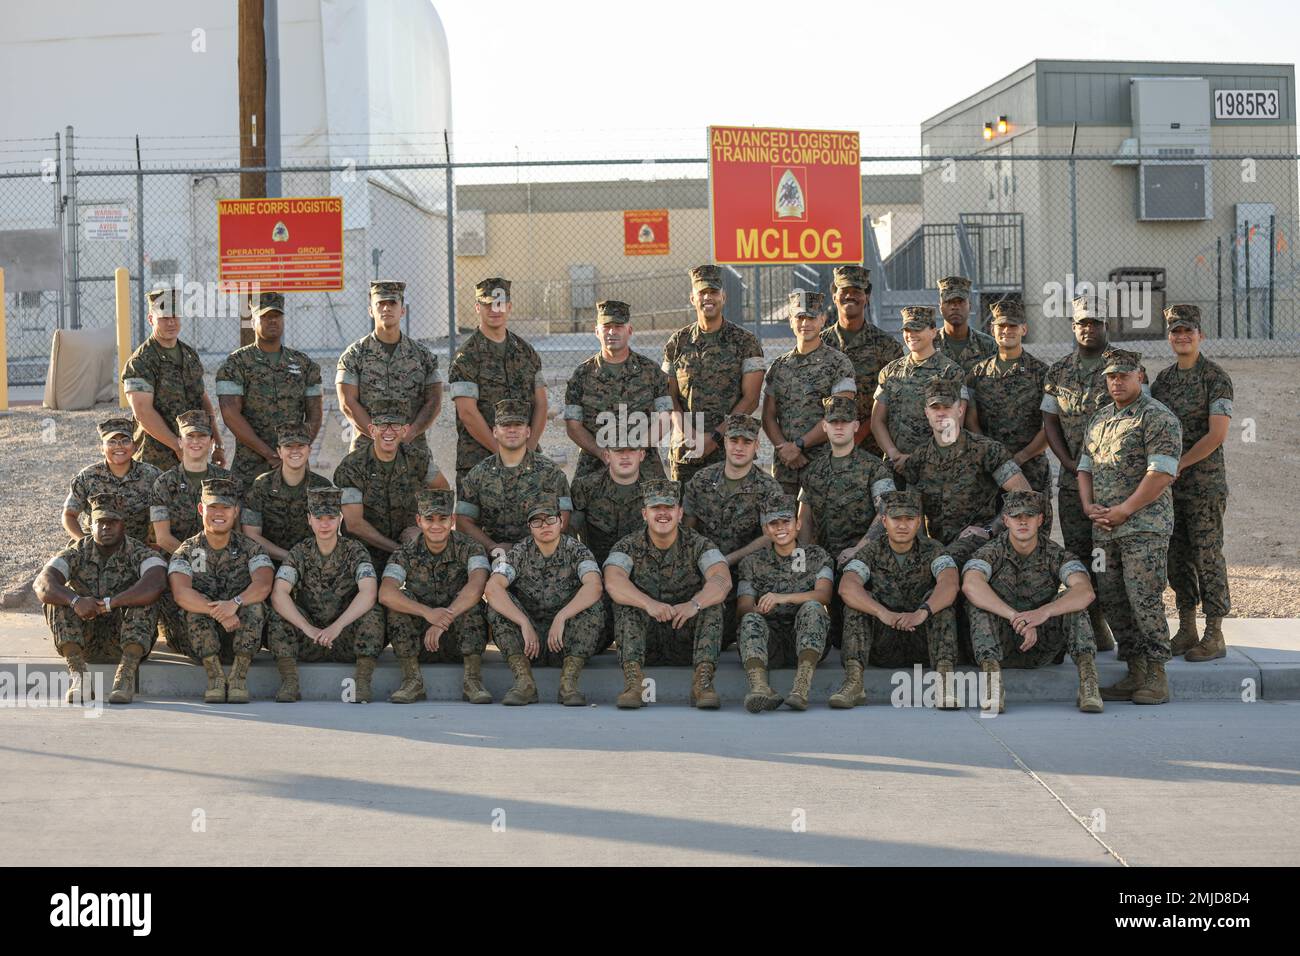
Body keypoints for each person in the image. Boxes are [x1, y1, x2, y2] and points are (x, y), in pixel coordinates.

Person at [1078, 348, 1182, 705]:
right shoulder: (1100, 418)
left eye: (1124, 375)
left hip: (1143, 527)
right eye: (1111, 376)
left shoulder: (1157, 417)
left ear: (1140, 375)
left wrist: (1125, 510)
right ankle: (1134, 669)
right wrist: (1087, 505)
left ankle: (1156, 675)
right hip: (1104, 530)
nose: (1117, 381)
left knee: (1144, 598)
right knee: (1112, 597)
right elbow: (1085, 467)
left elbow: (1162, 473)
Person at [962, 490, 1102, 714]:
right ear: (1005, 520)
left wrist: (1043, 613)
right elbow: (971, 585)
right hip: (999, 644)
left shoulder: (1056, 554)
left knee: (1073, 603)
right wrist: (1015, 617)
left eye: (1029, 515)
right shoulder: (990, 552)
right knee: (978, 606)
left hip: (1042, 645)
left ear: (1040, 519)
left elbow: (1085, 591)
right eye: (1016, 516)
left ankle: (1089, 683)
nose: (1023, 521)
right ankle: (992, 684)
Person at [1150, 304, 1234, 662]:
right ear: (1169, 337)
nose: (1182, 337)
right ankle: (1187, 628)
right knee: (1177, 556)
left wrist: (1178, 464)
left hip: (1204, 485)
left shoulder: (1215, 378)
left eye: (1188, 331)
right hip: (1170, 488)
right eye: (1176, 331)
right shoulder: (1163, 381)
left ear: (1201, 335)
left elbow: (1217, 435)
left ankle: (1215, 633)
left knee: (1207, 555)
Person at [603, 479, 731, 710]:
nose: (663, 513)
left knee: (711, 604)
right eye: (655, 508)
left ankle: (702, 684)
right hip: (645, 641)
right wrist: (648, 604)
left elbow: (722, 580)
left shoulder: (698, 544)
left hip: (686, 640)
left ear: (680, 513)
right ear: (645, 514)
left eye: (669, 507)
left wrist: (694, 604)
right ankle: (634, 683)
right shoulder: (628, 545)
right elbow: (613, 581)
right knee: (625, 605)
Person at [1042, 294, 1121, 652]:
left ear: (1107, 325)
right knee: (1078, 553)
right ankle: (1091, 626)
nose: (1088, 329)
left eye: (1095, 323)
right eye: (1082, 323)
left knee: (1111, 558)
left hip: (1114, 482)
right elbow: (1049, 421)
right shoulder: (1058, 371)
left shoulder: (1123, 366)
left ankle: (1121, 627)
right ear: (1073, 327)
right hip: (1073, 480)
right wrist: (1068, 462)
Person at [35, 493, 167, 705]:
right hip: (84, 640)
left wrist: (111, 603)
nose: (106, 527)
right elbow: (42, 583)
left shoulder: (138, 552)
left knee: (145, 599)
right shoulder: (77, 551)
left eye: (112, 521)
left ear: (123, 524)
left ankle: (124, 678)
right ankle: (80, 678)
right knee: (56, 600)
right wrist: (75, 601)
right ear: (91, 525)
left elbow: (157, 582)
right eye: (100, 522)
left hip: (126, 642)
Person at [836, 490, 960, 709]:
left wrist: (922, 613)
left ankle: (945, 684)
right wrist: (883, 613)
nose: (902, 525)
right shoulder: (871, 551)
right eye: (896, 519)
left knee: (940, 604)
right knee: (857, 606)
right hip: (883, 641)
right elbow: (847, 586)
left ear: (919, 522)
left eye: (909, 519)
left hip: (923, 641)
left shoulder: (933, 550)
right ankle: (854, 683)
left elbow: (950, 584)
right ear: (884, 521)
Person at [484, 496, 605, 706]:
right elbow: (493, 588)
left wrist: (561, 617)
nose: (544, 526)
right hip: (529, 644)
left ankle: (568, 684)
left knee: (594, 606)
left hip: (565, 640)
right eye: (537, 521)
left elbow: (594, 586)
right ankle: (524, 683)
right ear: (530, 526)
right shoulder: (520, 552)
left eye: (550, 519)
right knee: (497, 607)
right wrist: (523, 623)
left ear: (560, 521)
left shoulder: (576, 550)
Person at [267, 487, 384, 703]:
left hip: (345, 637)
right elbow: (279, 594)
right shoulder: (299, 552)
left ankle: (362, 681)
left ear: (340, 519)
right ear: (309, 519)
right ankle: (290, 682)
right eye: (319, 518)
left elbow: (369, 592)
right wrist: (307, 628)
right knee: (278, 615)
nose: (324, 524)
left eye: (331, 518)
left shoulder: (354, 551)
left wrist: (337, 626)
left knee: (373, 613)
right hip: (309, 638)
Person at [900, 378, 1031, 568]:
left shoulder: (986, 450)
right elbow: (913, 510)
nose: (941, 413)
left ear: (960, 410)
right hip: (939, 548)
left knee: (942, 565)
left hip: (982, 546)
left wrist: (989, 529)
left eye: (947, 407)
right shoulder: (918, 459)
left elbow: (1024, 494)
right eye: (935, 408)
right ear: (926, 412)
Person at [380, 489, 493, 705]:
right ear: (418, 521)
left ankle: (473, 680)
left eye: (442, 518)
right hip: (421, 641)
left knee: (472, 603)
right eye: (429, 519)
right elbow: (386, 593)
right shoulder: (405, 553)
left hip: (459, 640)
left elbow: (478, 585)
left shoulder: (470, 547)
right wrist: (428, 613)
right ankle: (412, 680)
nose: (436, 525)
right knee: (398, 602)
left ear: (452, 520)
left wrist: (443, 620)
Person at [166, 479, 274, 704]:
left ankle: (238, 678)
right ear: (201, 509)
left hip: (240, 635)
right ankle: (214, 677)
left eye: (225, 507)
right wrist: (220, 612)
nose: (219, 513)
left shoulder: (251, 549)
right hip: (198, 642)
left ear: (236, 511)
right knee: (195, 609)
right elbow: (181, 593)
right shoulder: (186, 550)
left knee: (255, 607)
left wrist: (234, 603)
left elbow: (263, 585)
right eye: (212, 506)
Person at [683, 414, 781, 646]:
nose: (739, 447)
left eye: (747, 442)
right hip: (703, 573)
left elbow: (770, 537)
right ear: (725, 442)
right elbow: (686, 529)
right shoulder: (701, 480)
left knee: (733, 631)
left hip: (744, 575)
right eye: (734, 440)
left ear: (756, 446)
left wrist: (726, 560)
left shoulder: (768, 488)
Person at [662, 264, 764, 486]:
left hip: (731, 450)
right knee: (685, 507)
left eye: (713, 292)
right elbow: (668, 396)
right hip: (687, 451)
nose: (708, 297)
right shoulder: (677, 342)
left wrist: (715, 437)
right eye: (702, 293)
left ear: (723, 297)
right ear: (693, 298)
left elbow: (751, 399)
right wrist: (690, 435)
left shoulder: (745, 342)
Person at [735, 494, 834, 713]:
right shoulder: (751, 563)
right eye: (773, 523)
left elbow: (824, 595)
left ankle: (800, 689)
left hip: (808, 638)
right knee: (750, 619)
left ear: (797, 524)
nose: (780, 528)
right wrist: (756, 610)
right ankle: (760, 688)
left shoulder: (817, 556)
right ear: (765, 529)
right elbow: (743, 606)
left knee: (813, 607)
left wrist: (782, 597)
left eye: (786, 521)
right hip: (769, 643)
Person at [215, 291, 323, 491]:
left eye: (277, 316)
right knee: (247, 511)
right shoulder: (236, 364)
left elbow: (315, 413)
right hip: (250, 467)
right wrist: (269, 453)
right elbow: (230, 413)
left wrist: (295, 450)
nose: (272, 321)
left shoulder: (304, 364)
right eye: (265, 316)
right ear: (252, 321)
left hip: (294, 467)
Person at [447, 277, 546, 491]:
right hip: (480, 462)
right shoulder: (466, 357)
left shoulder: (526, 352)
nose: (494, 310)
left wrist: (526, 452)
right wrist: (504, 456)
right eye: (487, 304)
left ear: (509, 307)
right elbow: (467, 413)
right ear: (477, 308)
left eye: (500, 304)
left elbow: (541, 404)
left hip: (527, 462)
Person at [964, 298, 1052, 525]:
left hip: (1030, 469)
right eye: (1001, 325)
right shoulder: (978, 373)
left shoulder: (1041, 373)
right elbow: (970, 420)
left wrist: (1021, 457)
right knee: (988, 533)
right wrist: (991, 455)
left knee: (1032, 530)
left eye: (1013, 325)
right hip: (989, 473)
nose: (1007, 331)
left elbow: (1051, 426)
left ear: (1024, 329)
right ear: (992, 329)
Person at [762, 290, 857, 494]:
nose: (805, 323)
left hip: (824, 467)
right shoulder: (779, 366)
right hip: (785, 468)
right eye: (800, 317)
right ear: (791, 321)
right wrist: (784, 448)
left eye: (811, 318)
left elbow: (838, 416)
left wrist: (798, 446)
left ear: (822, 320)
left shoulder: (839, 364)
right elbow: (768, 416)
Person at [564, 299, 671, 478]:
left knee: (659, 497)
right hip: (595, 466)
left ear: (630, 330)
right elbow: (573, 426)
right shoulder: (582, 375)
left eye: (618, 326)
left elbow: (665, 419)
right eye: (606, 327)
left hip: (644, 466)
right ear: (596, 331)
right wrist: (601, 453)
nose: (612, 332)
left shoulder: (651, 371)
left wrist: (637, 450)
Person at [333, 401, 448, 567]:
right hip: (364, 551)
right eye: (382, 426)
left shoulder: (417, 459)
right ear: (372, 430)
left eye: (395, 426)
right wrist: (398, 550)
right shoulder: (352, 466)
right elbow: (354, 524)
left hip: (407, 542)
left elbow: (442, 490)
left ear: (405, 430)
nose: (388, 432)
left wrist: (424, 524)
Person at [122, 286, 225, 471]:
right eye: (164, 318)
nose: (171, 322)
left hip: (192, 455)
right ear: (151, 319)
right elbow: (143, 412)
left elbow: (202, 399)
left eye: (175, 316)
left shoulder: (189, 355)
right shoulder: (140, 362)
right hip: (155, 460)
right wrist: (177, 446)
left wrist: (217, 443)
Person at [336, 280, 442, 455]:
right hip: (367, 452)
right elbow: (347, 403)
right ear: (371, 311)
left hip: (412, 451)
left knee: (434, 475)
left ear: (402, 310)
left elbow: (434, 401)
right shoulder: (354, 355)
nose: (386, 308)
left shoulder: (423, 356)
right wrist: (380, 437)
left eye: (392, 303)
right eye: (380, 303)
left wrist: (409, 434)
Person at [455, 399, 571, 557]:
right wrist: (492, 547)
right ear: (495, 432)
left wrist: (524, 550)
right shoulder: (478, 474)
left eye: (518, 425)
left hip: (540, 555)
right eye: (505, 425)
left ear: (528, 431)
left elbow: (564, 518)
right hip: (495, 555)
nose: (512, 430)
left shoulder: (551, 472)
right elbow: (463, 521)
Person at [797, 395, 896, 566]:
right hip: (822, 560)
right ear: (824, 426)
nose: (839, 427)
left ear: (856, 426)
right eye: (833, 422)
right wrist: (801, 560)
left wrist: (858, 549)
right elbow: (804, 520)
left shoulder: (874, 468)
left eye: (845, 421)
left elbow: (886, 510)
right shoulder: (813, 471)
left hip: (865, 559)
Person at [871, 306, 966, 475]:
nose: (911, 335)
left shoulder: (950, 372)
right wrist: (894, 455)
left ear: (933, 332)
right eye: (907, 330)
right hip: (895, 467)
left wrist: (916, 459)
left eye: (918, 329)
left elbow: (954, 425)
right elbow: (877, 421)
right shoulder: (890, 371)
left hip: (934, 468)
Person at [820, 265, 902, 457]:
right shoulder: (820, 344)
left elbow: (893, 399)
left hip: (873, 448)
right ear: (834, 296)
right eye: (844, 291)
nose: (850, 296)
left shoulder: (886, 346)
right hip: (826, 447)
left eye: (857, 291)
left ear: (867, 297)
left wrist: (859, 433)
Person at [240, 423, 334, 562]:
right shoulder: (262, 485)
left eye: (300, 446)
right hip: (269, 561)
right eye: (288, 446)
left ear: (309, 450)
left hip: (311, 562)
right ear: (279, 452)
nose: (295, 451)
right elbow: (251, 534)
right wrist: (290, 557)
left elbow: (329, 532)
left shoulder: (322, 487)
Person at [64, 417, 162, 545]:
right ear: (102, 448)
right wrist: (84, 543)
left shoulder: (152, 475)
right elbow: (69, 515)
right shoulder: (88, 476)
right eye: (111, 442)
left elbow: (169, 512)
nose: (119, 446)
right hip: (95, 544)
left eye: (125, 441)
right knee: (61, 559)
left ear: (135, 447)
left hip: (137, 546)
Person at [151, 410, 236, 555]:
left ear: (211, 442)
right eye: (189, 436)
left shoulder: (228, 480)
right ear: (180, 442)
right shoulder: (164, 483)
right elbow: (163, 538)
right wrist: (197, 559)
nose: (195, 441)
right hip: (177, 558)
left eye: (202, 436)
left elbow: (237, 531)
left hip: (222, 559)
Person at [935, 275, 998, 371]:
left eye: (960, 302)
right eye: (949, 301)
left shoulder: (989, 346)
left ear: (970, 306)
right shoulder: (929, 344)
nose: (955, 307)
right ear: (940, 308)